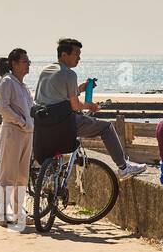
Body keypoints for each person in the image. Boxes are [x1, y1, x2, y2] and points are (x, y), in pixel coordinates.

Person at [34, 38, 147, 179]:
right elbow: (75, 106)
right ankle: (124, 168)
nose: (79, 58)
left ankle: (49, 180)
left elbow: (56, 98)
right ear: (64, 55)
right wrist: (90, 106)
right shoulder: (69, 74)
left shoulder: (46, 70)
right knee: (106, 127)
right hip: (64, 124)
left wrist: (79, 89)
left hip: (44, 124)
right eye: (76, 54)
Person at [0, 48, 34, 229]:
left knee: (23, 176)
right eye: (25, 61)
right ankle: (1, 214)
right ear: (14, 64)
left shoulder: (24, 87)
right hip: (12, 132)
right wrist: (21, 122)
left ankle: (19, 213)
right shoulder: (7, 82)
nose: (28, 65)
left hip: (27, 134)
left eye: (28, 61)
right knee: (8, 174)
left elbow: (31, 109)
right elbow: (3, 108)